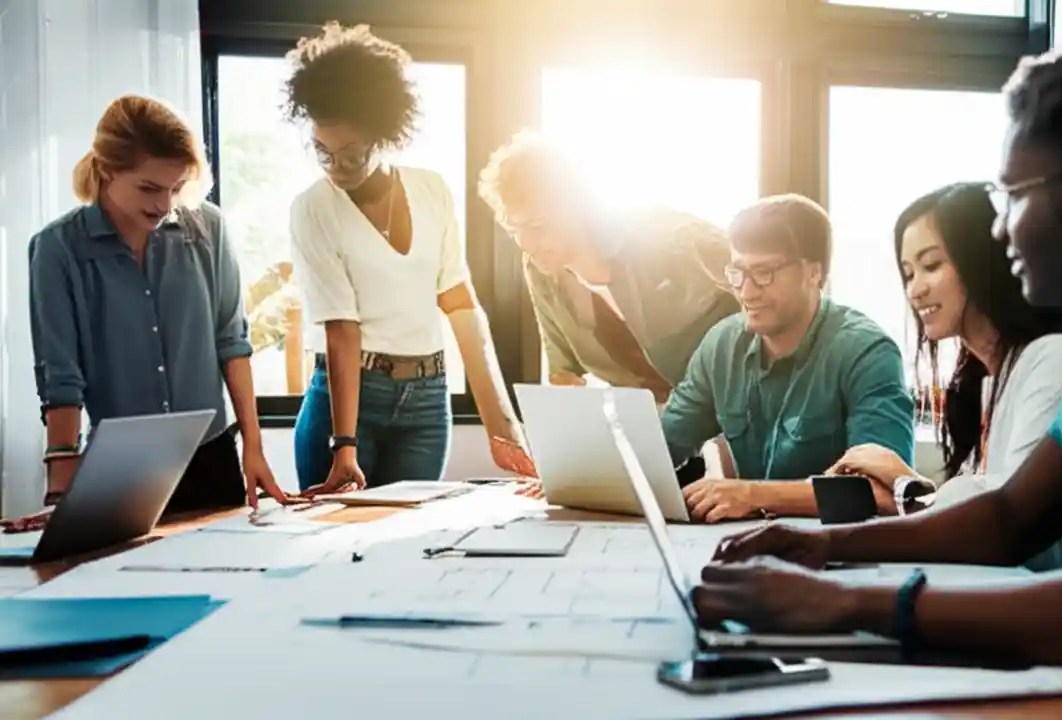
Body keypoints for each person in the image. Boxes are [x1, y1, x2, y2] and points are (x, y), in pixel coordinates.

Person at [695, 44, 1062, 720]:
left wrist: (848, 602)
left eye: (1011, 196)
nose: (998, 229)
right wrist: (822, 547)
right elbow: (1010, 517)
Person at [1, 95, 286, 534]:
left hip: (211, 458)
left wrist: (254, 445)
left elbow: (232, 341)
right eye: (149, 188)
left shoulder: (207, 228)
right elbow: (60, 377)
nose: (163, 204)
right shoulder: (58, 249)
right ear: (106, 168)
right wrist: (61, 489)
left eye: (175, 188)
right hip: (120, 472)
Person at [284, 23, 533, 495]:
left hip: (426, 401)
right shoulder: (313, 208)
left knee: (406, 552)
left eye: (351, 154)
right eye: (322, 151)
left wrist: (503, 426)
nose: (335, 166)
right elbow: (341, 329)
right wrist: (344, 446)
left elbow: (461, 306)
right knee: (336, 553)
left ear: (384, 134)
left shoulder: (430, 190)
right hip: (348, 406)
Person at [478, 130, 740, 482]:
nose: (526, 244)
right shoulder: (543, 274)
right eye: (515, 231)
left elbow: (756, 307)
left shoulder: (670, 239)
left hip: (734, 419)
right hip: (656, 432)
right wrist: (563, 474)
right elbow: (564, 375)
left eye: (537, 226)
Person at [826, 183, 1062, 523]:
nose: (915, 290)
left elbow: (1007, 511)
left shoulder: (1054, 358)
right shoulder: (984, 380)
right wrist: (908, 487)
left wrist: (904, 484)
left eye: (931, 265)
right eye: (908, 274)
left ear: (982, 258)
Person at [661, 194, 915, 523]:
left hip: (840, 552)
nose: (747, 292)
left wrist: (752, 494)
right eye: (738, 273)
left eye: (764, 272)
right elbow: (663, 446)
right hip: (752, 542)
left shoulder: (866, 352)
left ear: (813, 273)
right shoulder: (721, 345)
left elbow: (885, 492)